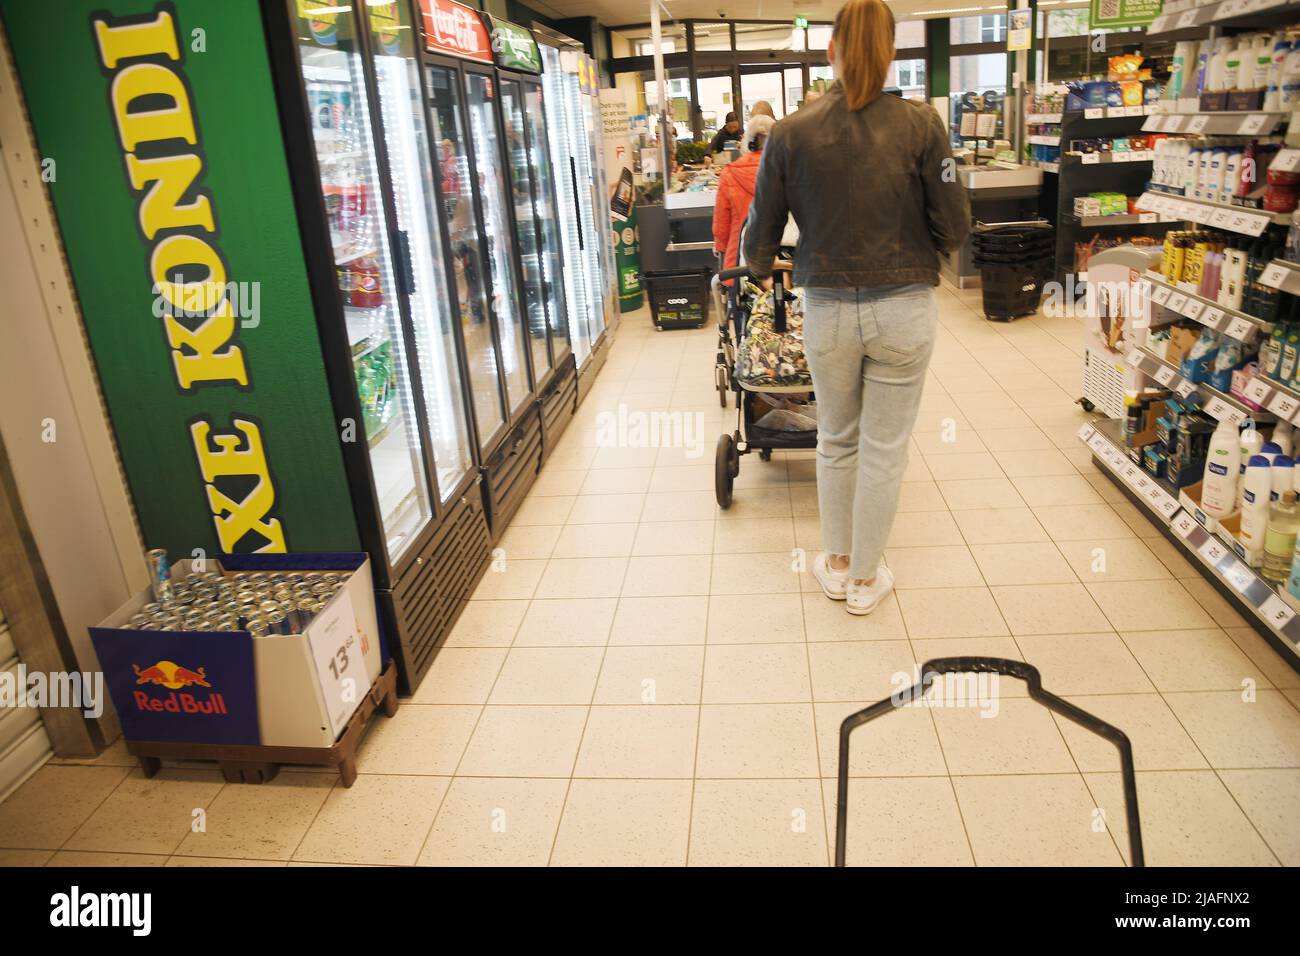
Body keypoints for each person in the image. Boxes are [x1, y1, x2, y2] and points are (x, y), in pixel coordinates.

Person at [742, 0, 970, 616]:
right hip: (904, 307)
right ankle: (868, 579)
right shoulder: (924, 126)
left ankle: (836, 564)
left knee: (836, 438)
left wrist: (760, 272)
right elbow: (955, 221)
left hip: (827, 308)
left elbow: (759, 231)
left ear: (831, 51)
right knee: (884, 446)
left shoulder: (790, 132)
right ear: (892, 50)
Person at [712, 115, 775, 284]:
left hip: (740, 262)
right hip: (782, 262)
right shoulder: (786, 170)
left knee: (740, 305)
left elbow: (721, 226)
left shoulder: (730, 173)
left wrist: (720, 247)